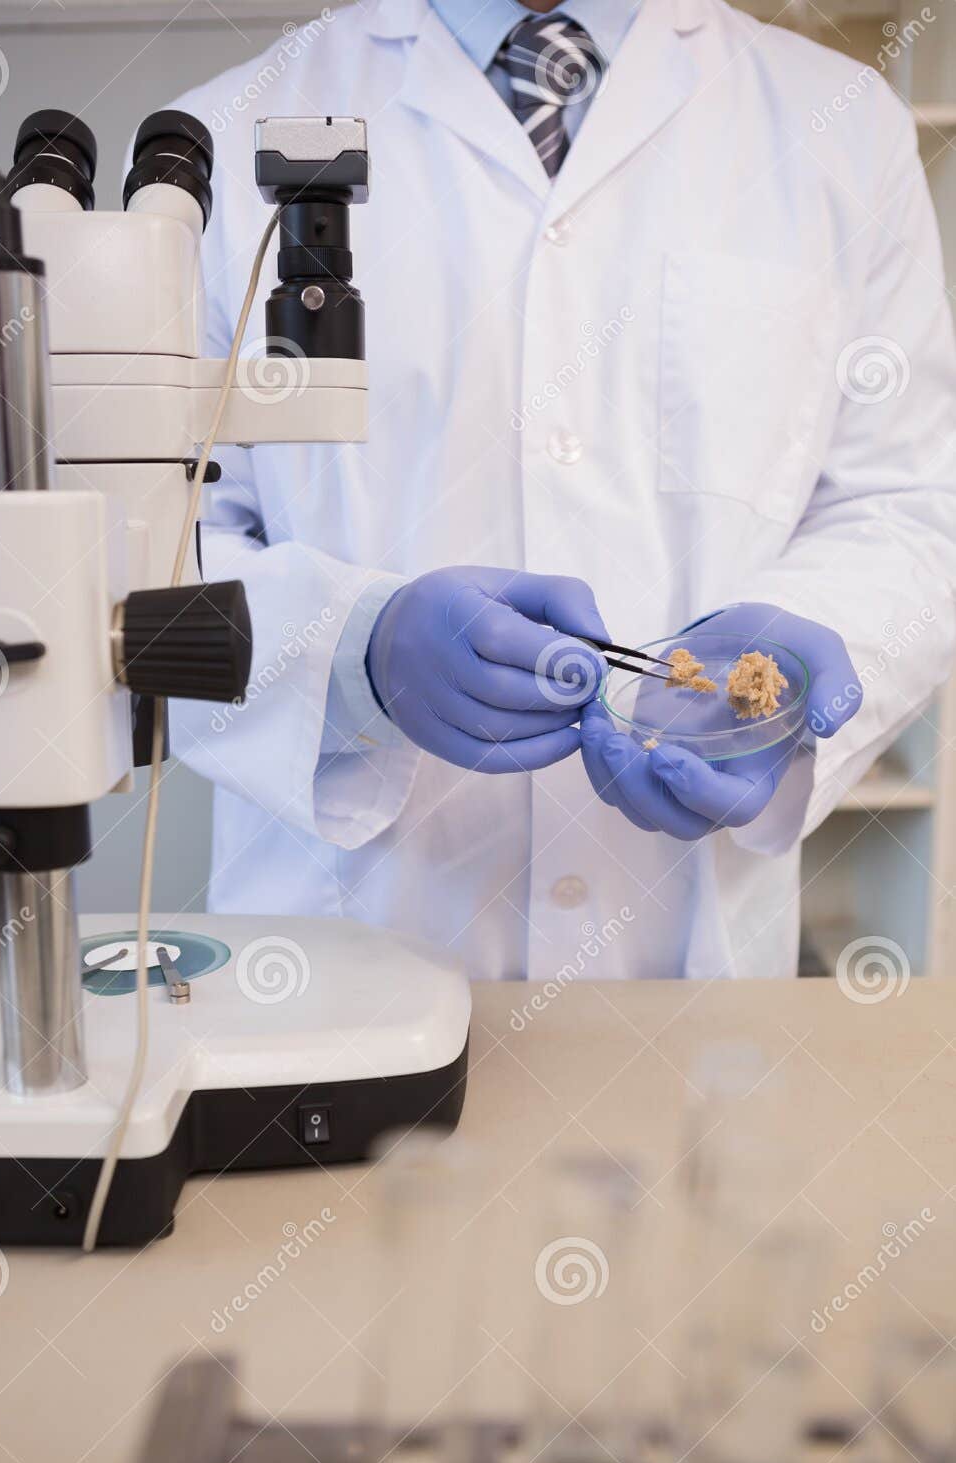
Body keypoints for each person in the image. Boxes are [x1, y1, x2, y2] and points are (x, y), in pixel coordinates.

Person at [170, 0, 956, 980]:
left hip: (687, 975)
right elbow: (141, 559)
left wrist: (787, 671)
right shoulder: (209, 143)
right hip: (333, 970)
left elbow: (906, 507)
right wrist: (351, 653)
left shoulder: (841, 123)